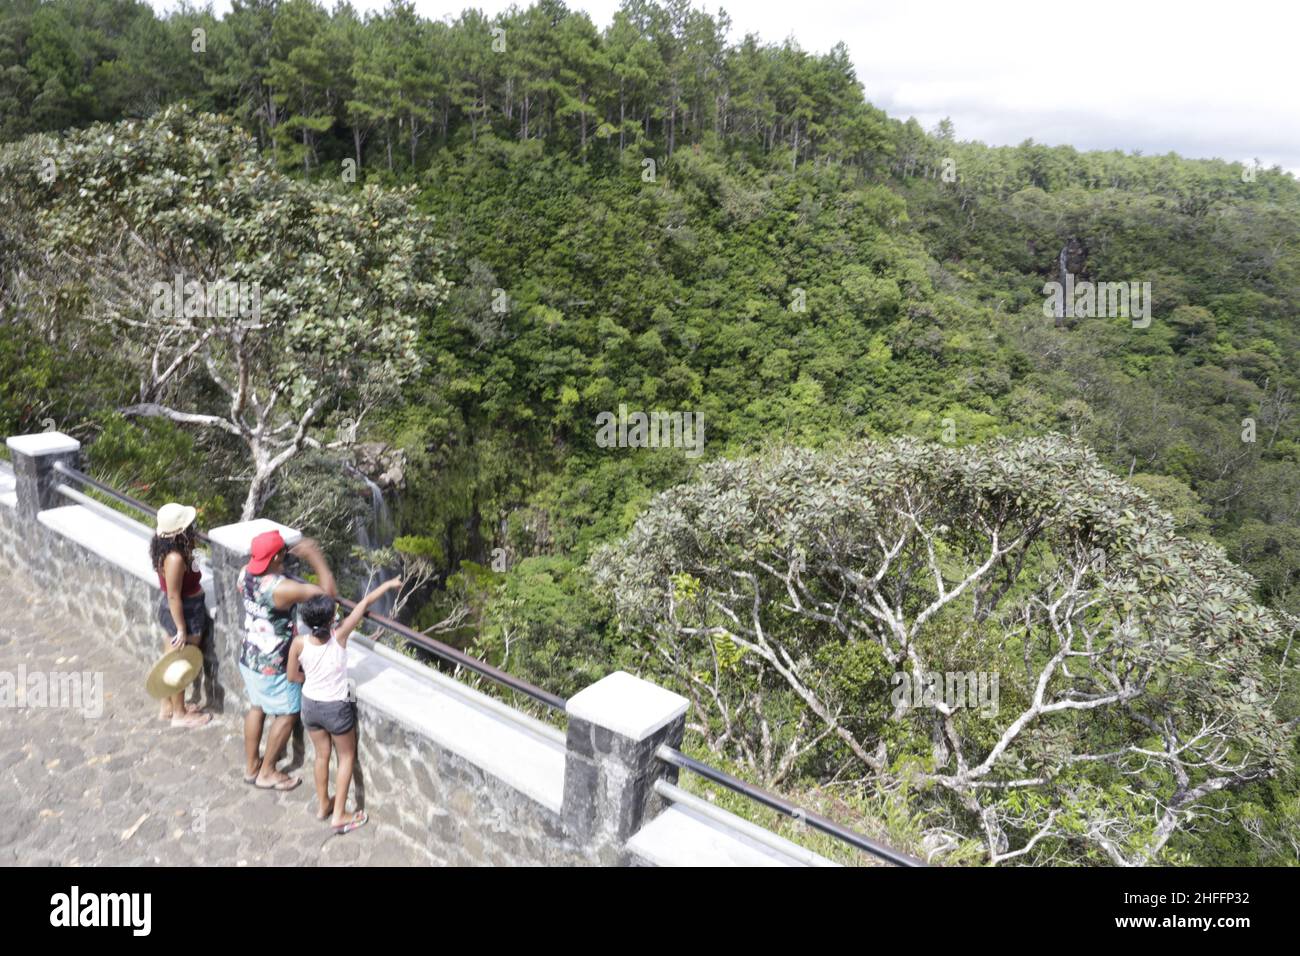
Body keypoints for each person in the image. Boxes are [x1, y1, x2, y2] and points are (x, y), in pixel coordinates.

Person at [289, 577, 401, 834]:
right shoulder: (339, 637)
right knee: (347, 756)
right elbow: (364, 604)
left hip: (310, 704)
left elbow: (293, 676)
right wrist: (388, 585)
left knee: (320, 755)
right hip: (335, 707)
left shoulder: (298, 643)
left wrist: (313, 678)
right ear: (331, 621)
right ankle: (339, 815)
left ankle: (323, 806)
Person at [238, 529, 336, 791]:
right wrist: (316, 557)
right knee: (288, 714)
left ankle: (251, 767)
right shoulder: (281, 589)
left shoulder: (245, 573)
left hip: (249, 657)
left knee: (257, 707)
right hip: (275, 665)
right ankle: (267, 771)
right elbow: (327, 598)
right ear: (279, 555)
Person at [150, 503, 213, 728]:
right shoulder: (175, 558)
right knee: (181, 663)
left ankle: (167, 707)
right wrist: (181, 628)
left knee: (171, 661)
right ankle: (179, 714)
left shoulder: (167, 549)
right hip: (184, 611)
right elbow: (175, 596)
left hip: (179, 609)